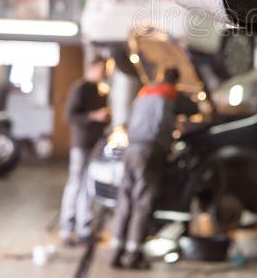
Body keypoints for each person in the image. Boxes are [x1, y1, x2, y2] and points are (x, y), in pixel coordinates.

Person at [111, 67, 179, 269]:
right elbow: (165, 128)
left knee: (126, 199)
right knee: (143, 202)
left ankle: (116, 252)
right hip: (149, 152)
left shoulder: (144, 95)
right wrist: (168, 150)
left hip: (130, 149)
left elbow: (128, 122)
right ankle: (133, 255)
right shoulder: (166, 97)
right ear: (174, 83)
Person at [59, 56, 110, 246]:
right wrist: (93, 116)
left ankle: (84, 228)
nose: (105, 73)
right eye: (103, 68)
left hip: (96, 145)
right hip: (81, 144)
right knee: (75, 184)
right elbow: (69, 116)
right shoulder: (80, 88)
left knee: (89, 186)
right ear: (94, 67)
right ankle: (66, 228)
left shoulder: (101, 90)